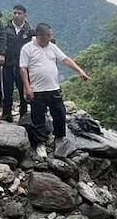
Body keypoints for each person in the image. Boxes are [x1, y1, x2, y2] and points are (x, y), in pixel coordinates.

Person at [19, 23, 89, 158]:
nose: (51, 37)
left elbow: (66, 59)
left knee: (59, 113)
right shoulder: (27, 48)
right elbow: (23, 68)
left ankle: (60, 138)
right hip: (37, 89)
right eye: (48, 35)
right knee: (38, 117)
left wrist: (80, 71)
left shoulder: (52, 47)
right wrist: (27, 87)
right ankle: (40, 143)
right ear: (39, 35)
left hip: (53, 88)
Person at [1, 4, 33, 123]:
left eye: (19, 13)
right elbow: (1, 43)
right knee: (7, 90)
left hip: (23, 65)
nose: (16, 15)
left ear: (25, 15)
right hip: (8, 64)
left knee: (23, 89)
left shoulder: (29, 31)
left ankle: (23, 114)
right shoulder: (5, 29)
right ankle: (6, 114)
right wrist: (1, 54)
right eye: (14, 13)